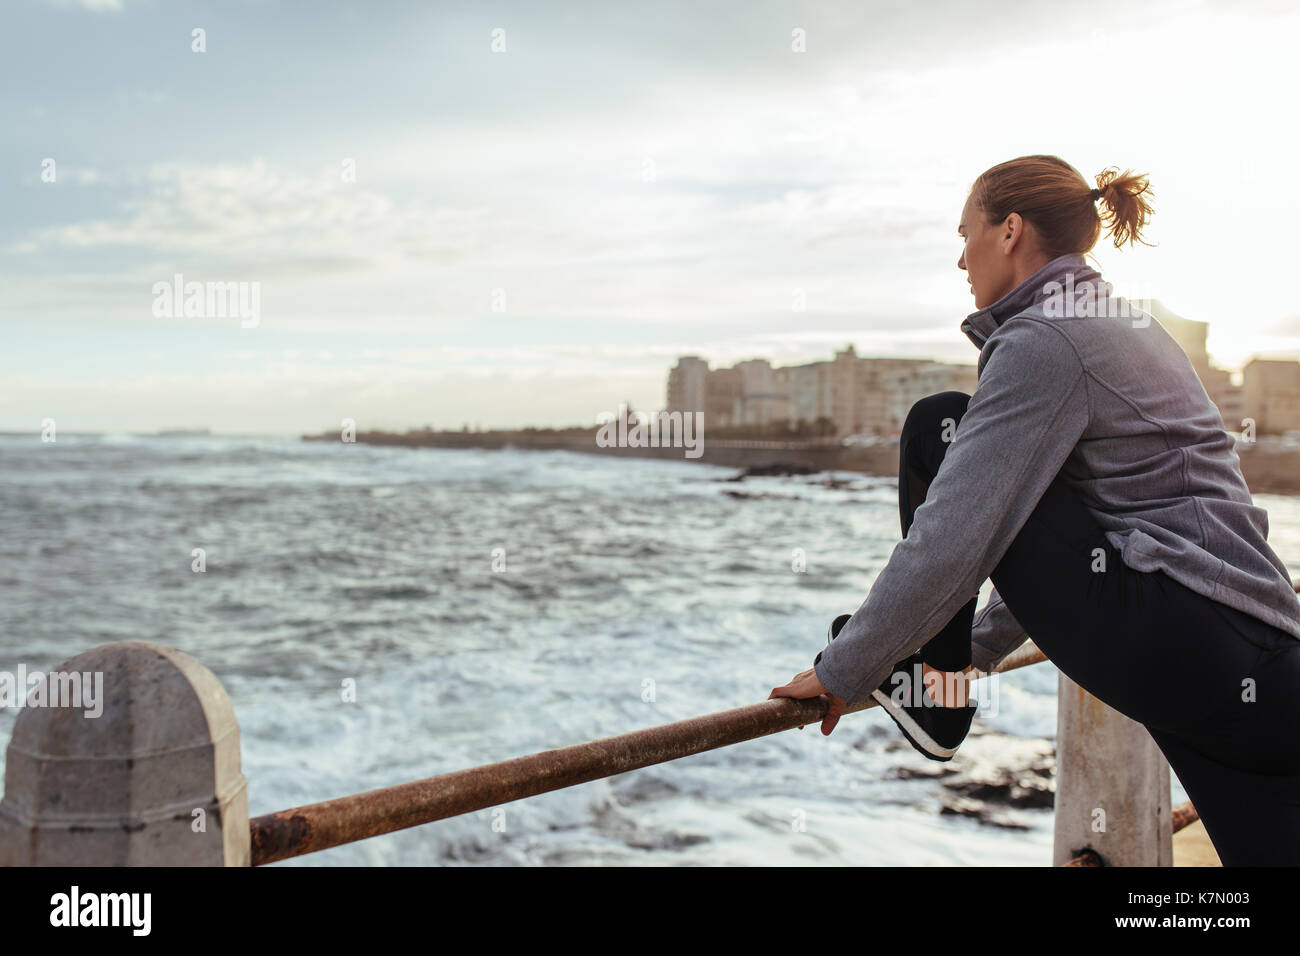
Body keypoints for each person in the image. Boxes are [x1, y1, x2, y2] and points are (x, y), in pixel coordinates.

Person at [769, 155, 1300, 865]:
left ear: (1011, 230)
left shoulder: (1044, 339)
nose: (960, 259)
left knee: (940, 424)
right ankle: (940, 683)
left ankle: (937, 697)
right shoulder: (1117, 321)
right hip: (1261, 660)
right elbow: (1066, 528)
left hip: (1184, 636)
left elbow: (956, 536)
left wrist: (846, 669)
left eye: (966, 233)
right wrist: (976, 652)